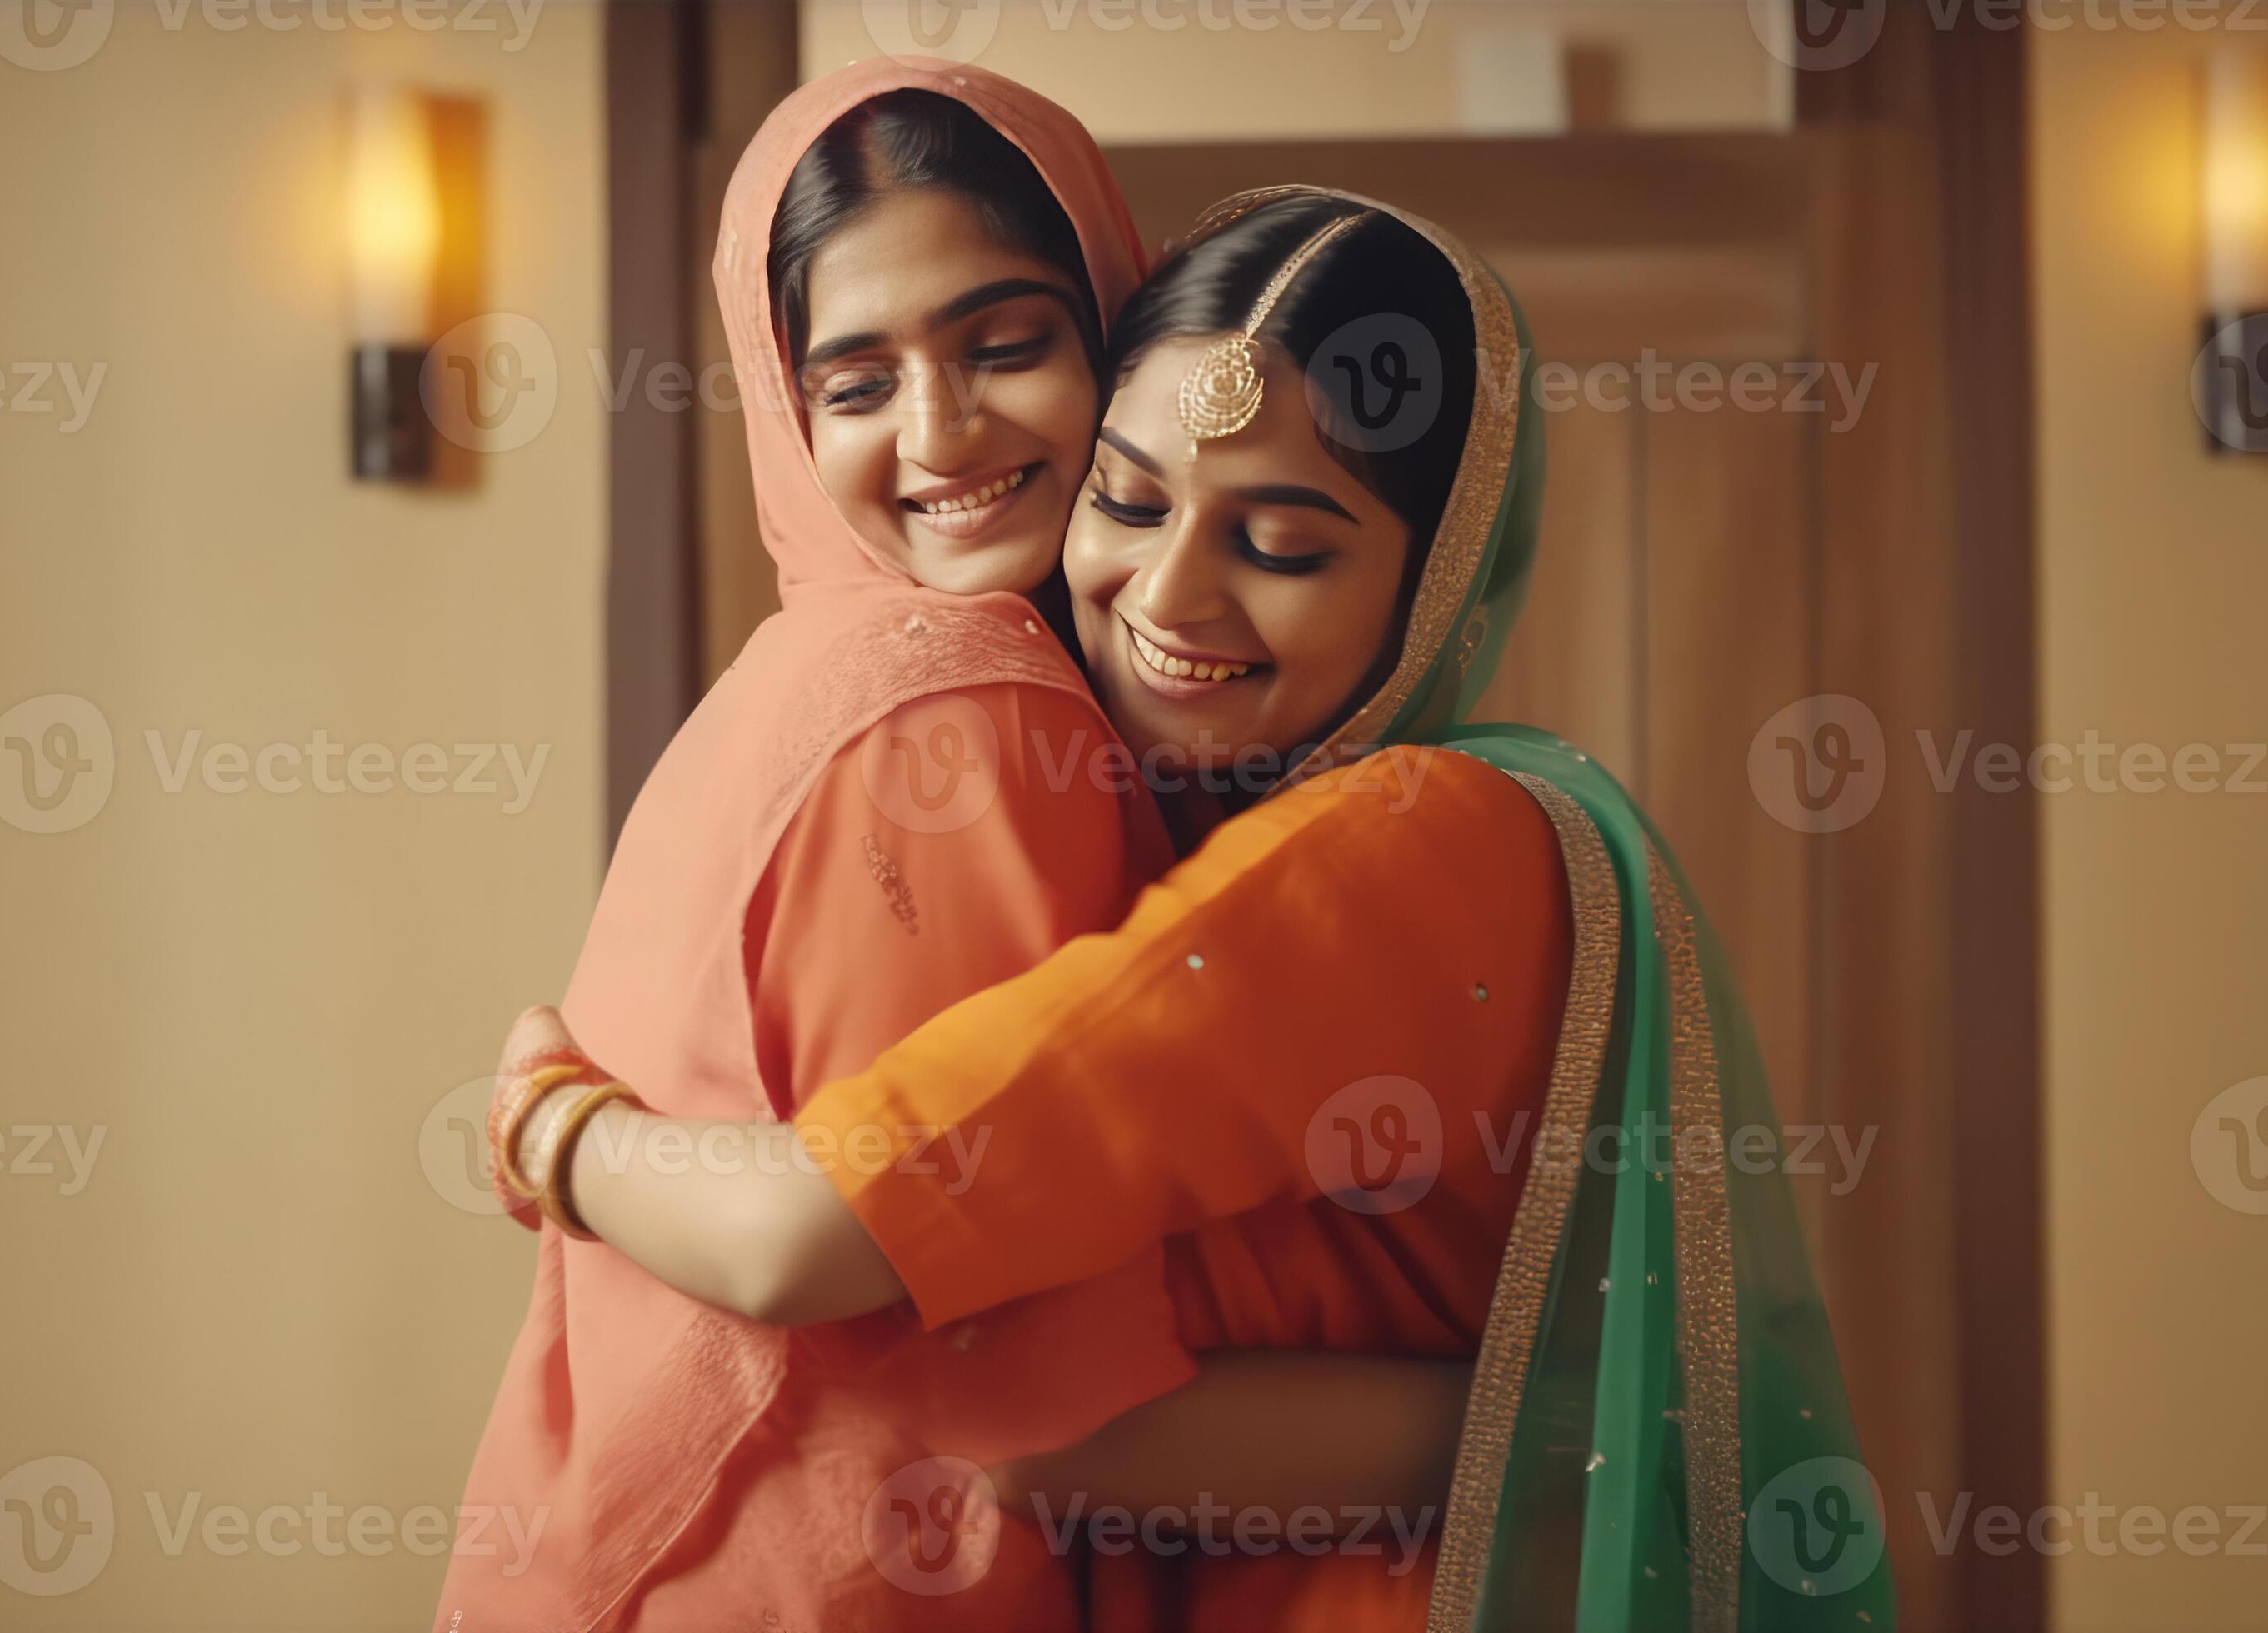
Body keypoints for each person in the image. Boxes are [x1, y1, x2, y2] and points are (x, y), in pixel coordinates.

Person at [497, 187, 1896, 1631]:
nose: (1169, 594)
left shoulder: (1405, 844)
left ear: (1439, 583)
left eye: (1284, 548)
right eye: (1128, 498)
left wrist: (550, 1120)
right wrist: (1539, 1421)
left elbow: (841, 1267)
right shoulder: (1351, 833)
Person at [447, 58, 1248, 1631]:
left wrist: (553, 1139)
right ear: (782, 401)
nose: (943, 433)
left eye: (1006, 345)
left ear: (1119, 334)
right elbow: (1021, 1382)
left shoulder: (795, 668)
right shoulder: (974, 704)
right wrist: (1519, 1416)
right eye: (858, 382)